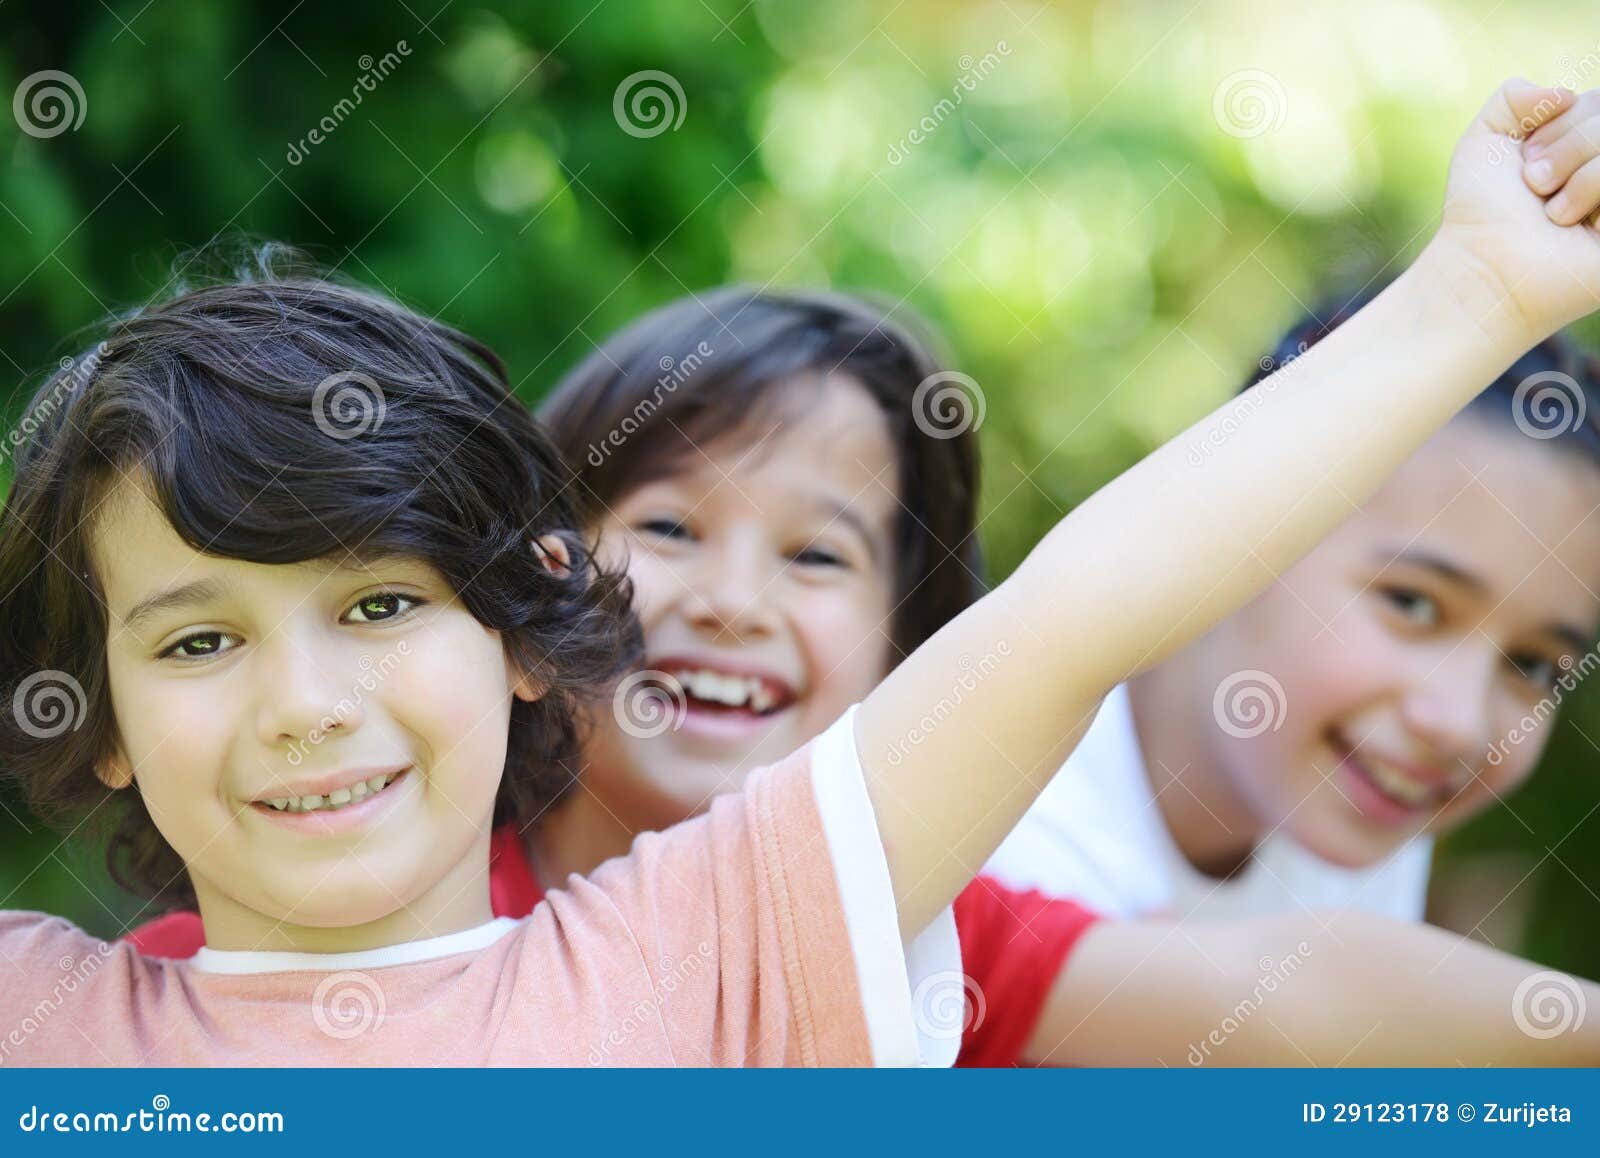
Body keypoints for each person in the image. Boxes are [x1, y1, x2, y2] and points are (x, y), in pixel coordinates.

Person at [7, 77, 1599, 1065]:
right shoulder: (54, 1023)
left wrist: (1477, 290)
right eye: (198, 639)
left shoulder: (712, 956)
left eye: (377, 606)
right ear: (101, 714)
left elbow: (1080, 612)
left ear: (523, 626)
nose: (303, 699)